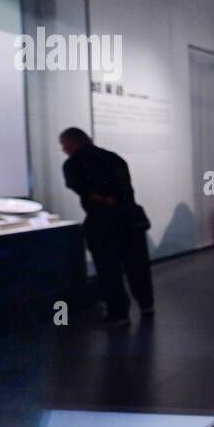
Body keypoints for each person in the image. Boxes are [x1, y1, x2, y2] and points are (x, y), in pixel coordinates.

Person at [59, 127, 154, 325]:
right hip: (130, 219)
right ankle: (147, 304)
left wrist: (103, 200)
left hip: (103, 222)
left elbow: (85, 190)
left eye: (64, 144)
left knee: (108, 269)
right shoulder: (114, 157)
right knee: (137, 265)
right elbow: (125, 188)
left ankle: (118, 314)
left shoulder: (73, 163)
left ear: (73, 142)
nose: (63, 149)